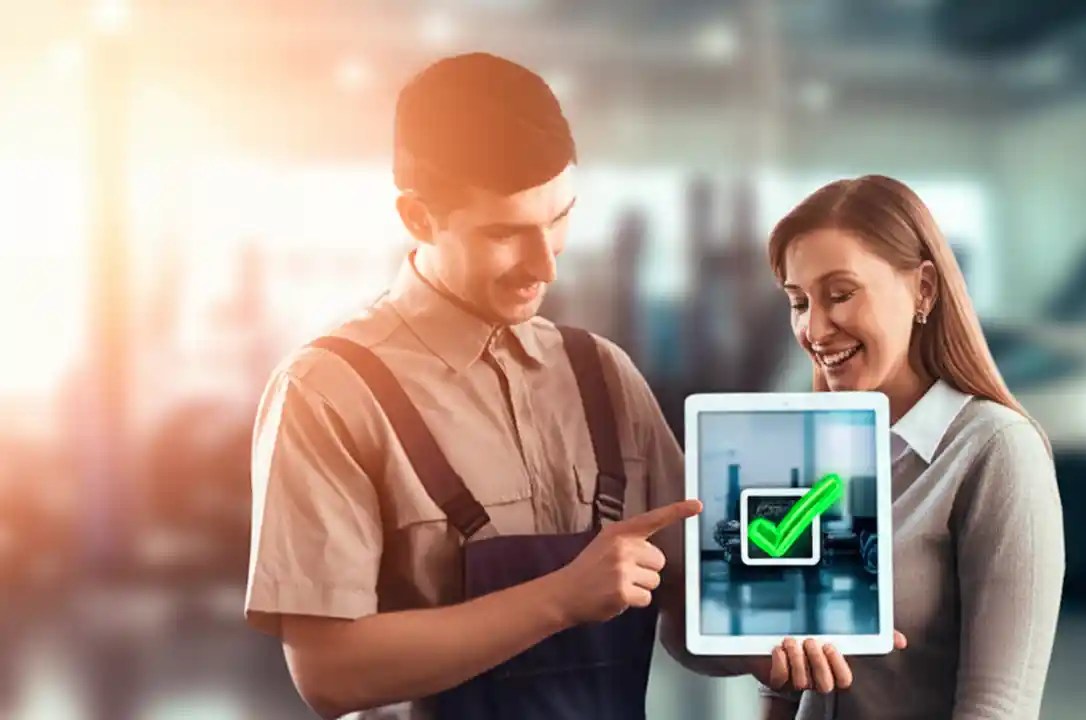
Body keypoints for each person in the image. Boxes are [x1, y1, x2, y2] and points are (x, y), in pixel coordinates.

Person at [242, 51, 817, 720]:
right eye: (505, 233)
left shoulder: (604, 375)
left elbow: (691, 608)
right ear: (419, 218)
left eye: (559, 218)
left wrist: (769, 646)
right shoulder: (326, 395)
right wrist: (558, 599)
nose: (545, 262)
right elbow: (330, 672)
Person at [758, 175, 1065, 720]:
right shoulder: (814, 451)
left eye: (840, 295)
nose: (815, 328)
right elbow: (783, 691)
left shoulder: (996, 452)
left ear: (923, 289)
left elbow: (997, 709)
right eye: (799, 301)